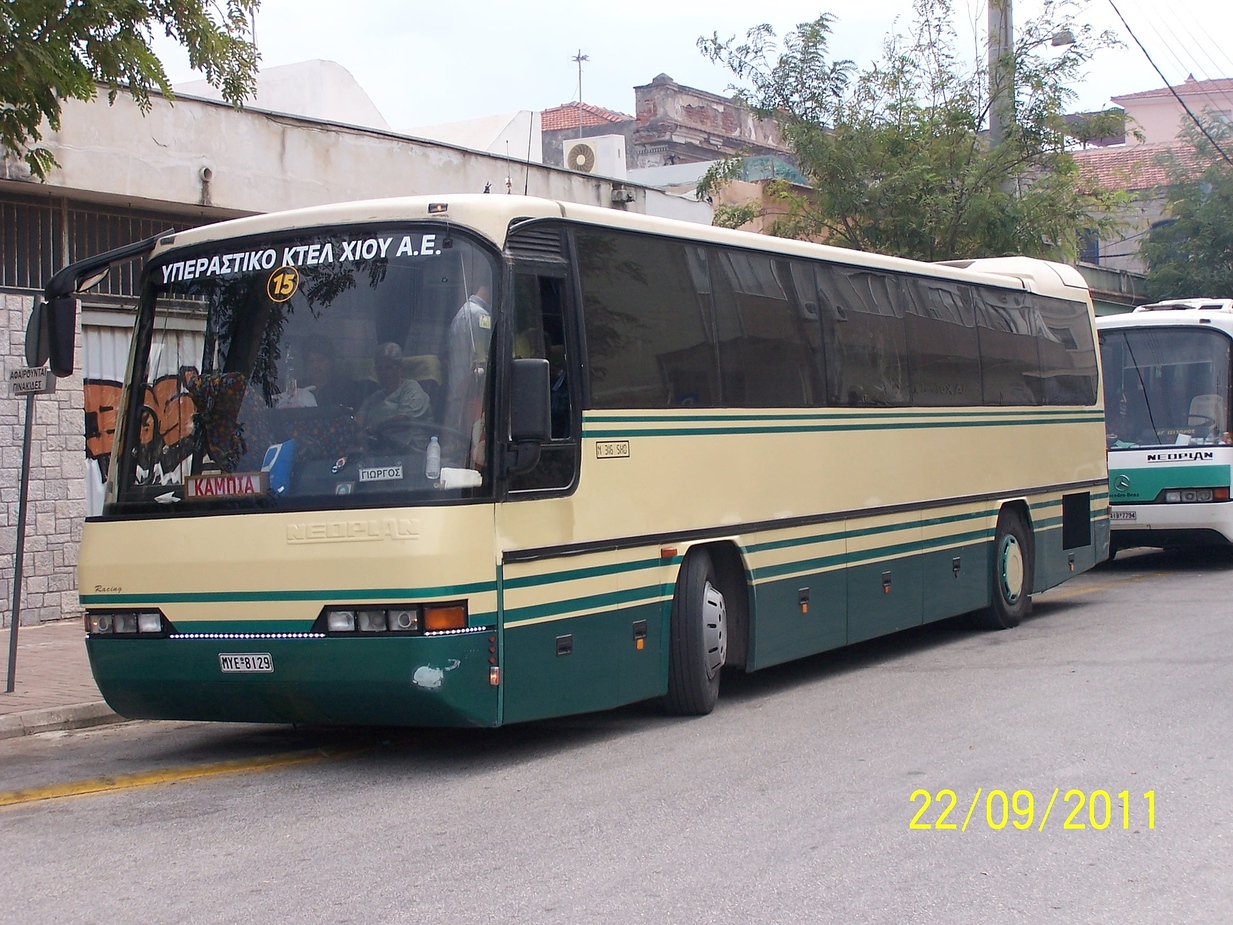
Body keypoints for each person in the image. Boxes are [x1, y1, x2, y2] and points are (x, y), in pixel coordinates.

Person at [443, 284, 493, 465]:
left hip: (458, 397)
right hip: (473, 397)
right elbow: (483, 362)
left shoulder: (462, 313)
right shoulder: (480, 316)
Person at [354, 343, 434, 453]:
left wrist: (372, 429)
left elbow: (402, 422)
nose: (383, 373)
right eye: (379, 368)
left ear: (400, 367)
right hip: (376, 455)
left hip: (409, 457)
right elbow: (358, 421)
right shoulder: (374, 397)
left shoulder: (411, 388)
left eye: (388, 367)